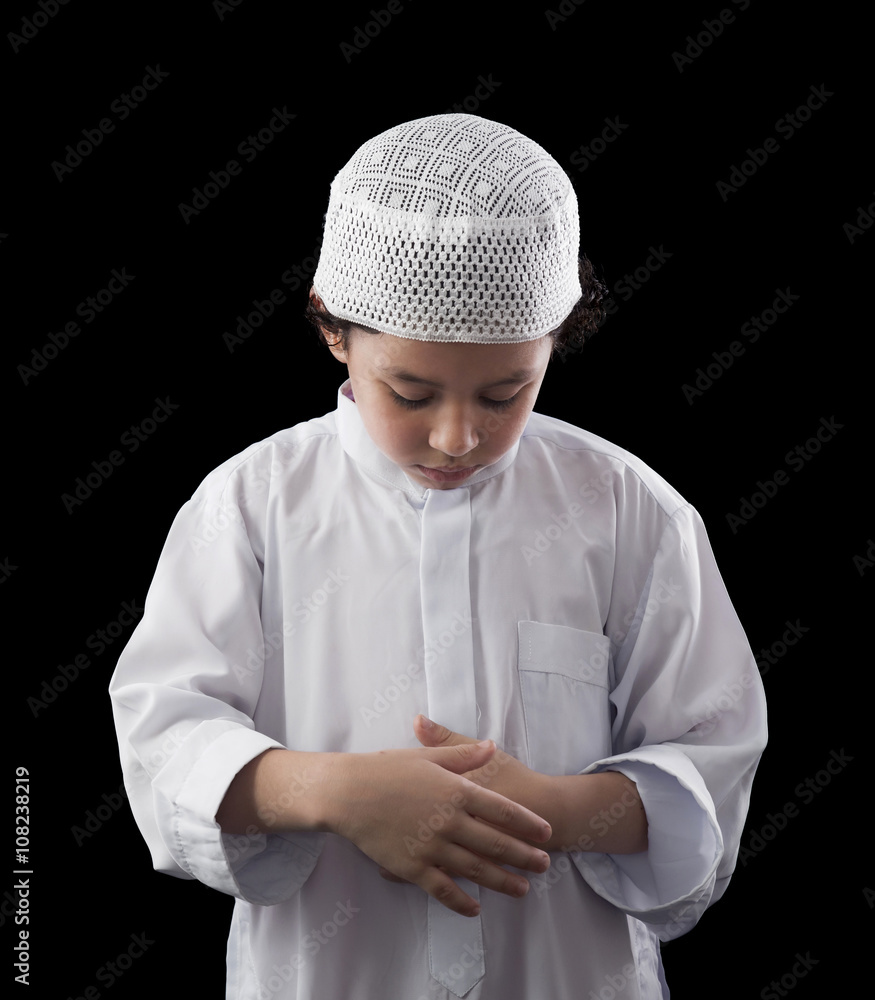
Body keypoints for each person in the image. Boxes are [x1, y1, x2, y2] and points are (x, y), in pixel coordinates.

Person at [109, 113, 768, 999]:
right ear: (332, 329)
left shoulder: (627, 510)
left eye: (504, 394)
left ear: (557, 337)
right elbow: (164, 740)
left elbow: (711, 758)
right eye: (410, 393)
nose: (457, 437)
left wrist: (550, 807)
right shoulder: (251, 506)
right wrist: (336, 794)